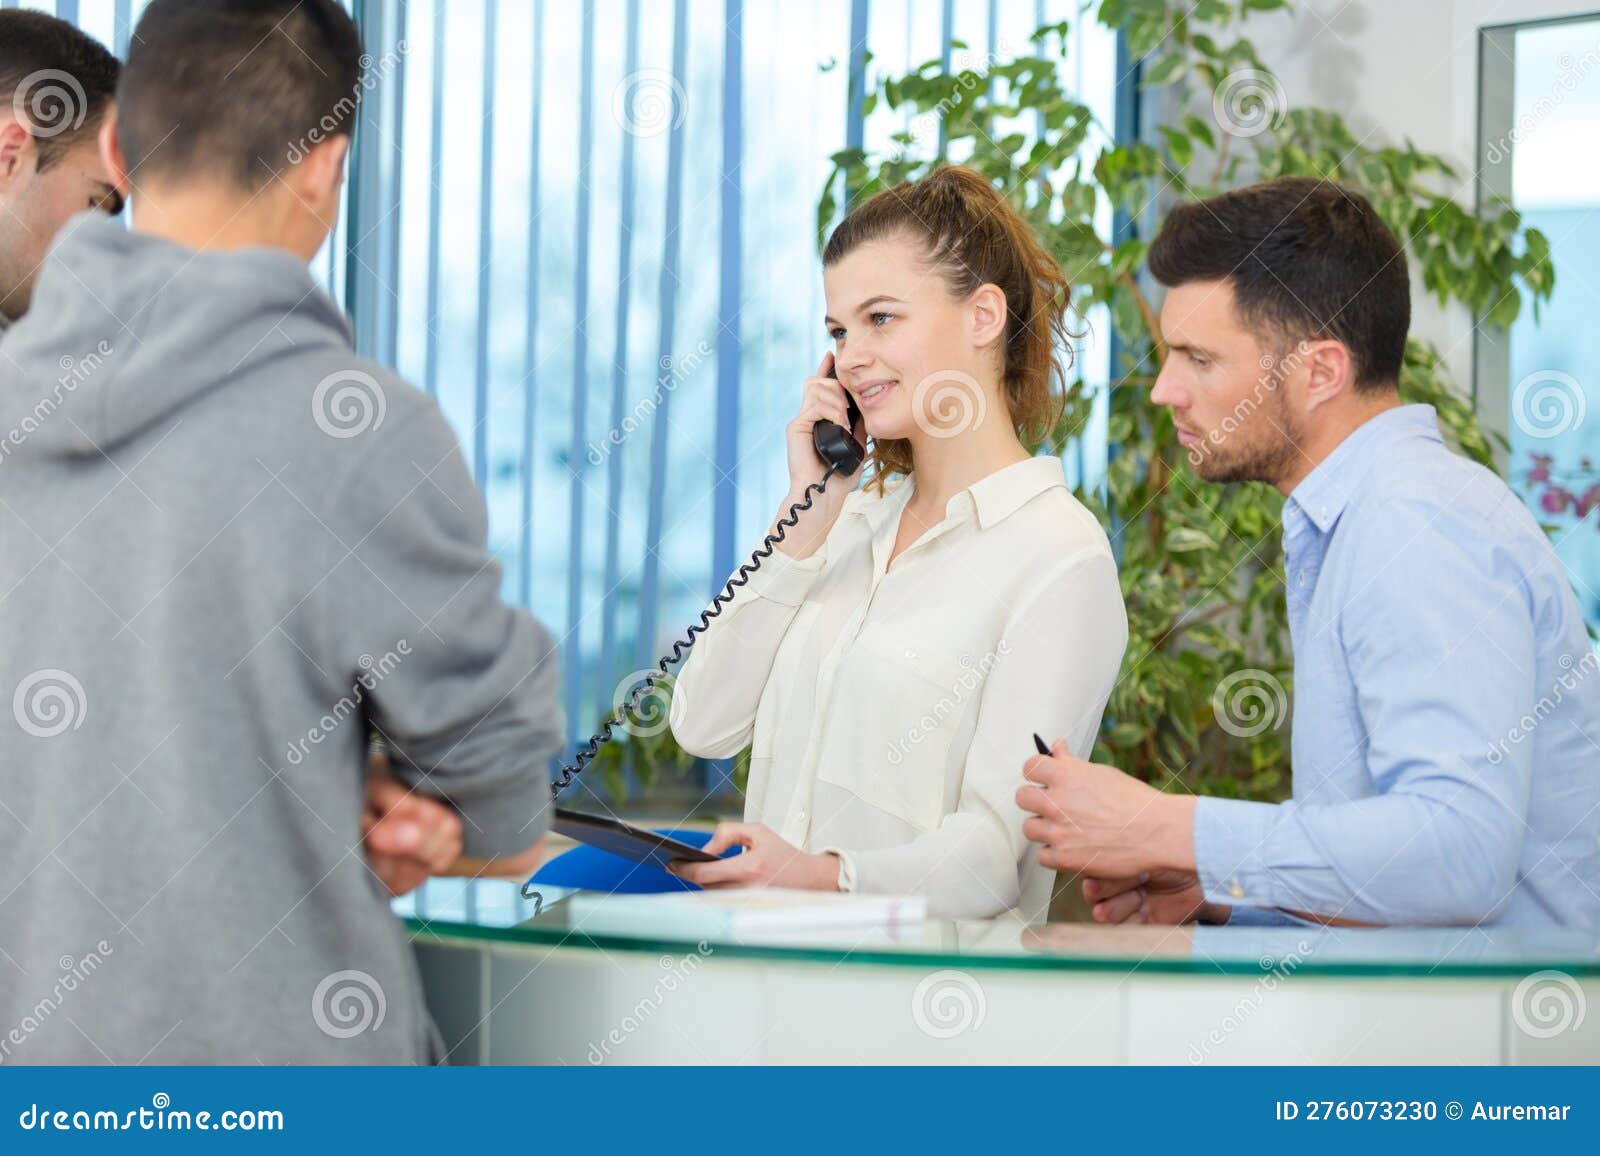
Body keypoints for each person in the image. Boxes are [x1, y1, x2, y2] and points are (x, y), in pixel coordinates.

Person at [0, 0, 562, 1063]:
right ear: (324, 165)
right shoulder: (357, 429)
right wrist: (387, 800)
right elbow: (494, 792)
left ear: (118, 143)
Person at [1016, 177, 1600, 929]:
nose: (1164, 392)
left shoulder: (1414, 524)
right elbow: (1404, 884)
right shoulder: (1361, 513)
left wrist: (1169, 829)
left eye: (1198, 359)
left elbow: (1460, 854)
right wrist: (1218, 894)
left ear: (1321, 370)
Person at [667, 165, 1128, 921]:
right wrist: (806, 512)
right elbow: (703, 723)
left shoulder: (1058, 557)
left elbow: (992, 859)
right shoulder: (847, 516)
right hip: (767, 989)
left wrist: (818, 875)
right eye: (839, 332)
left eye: (881, 319)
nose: (849, 356)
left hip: (919, 1016)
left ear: (982, 317)